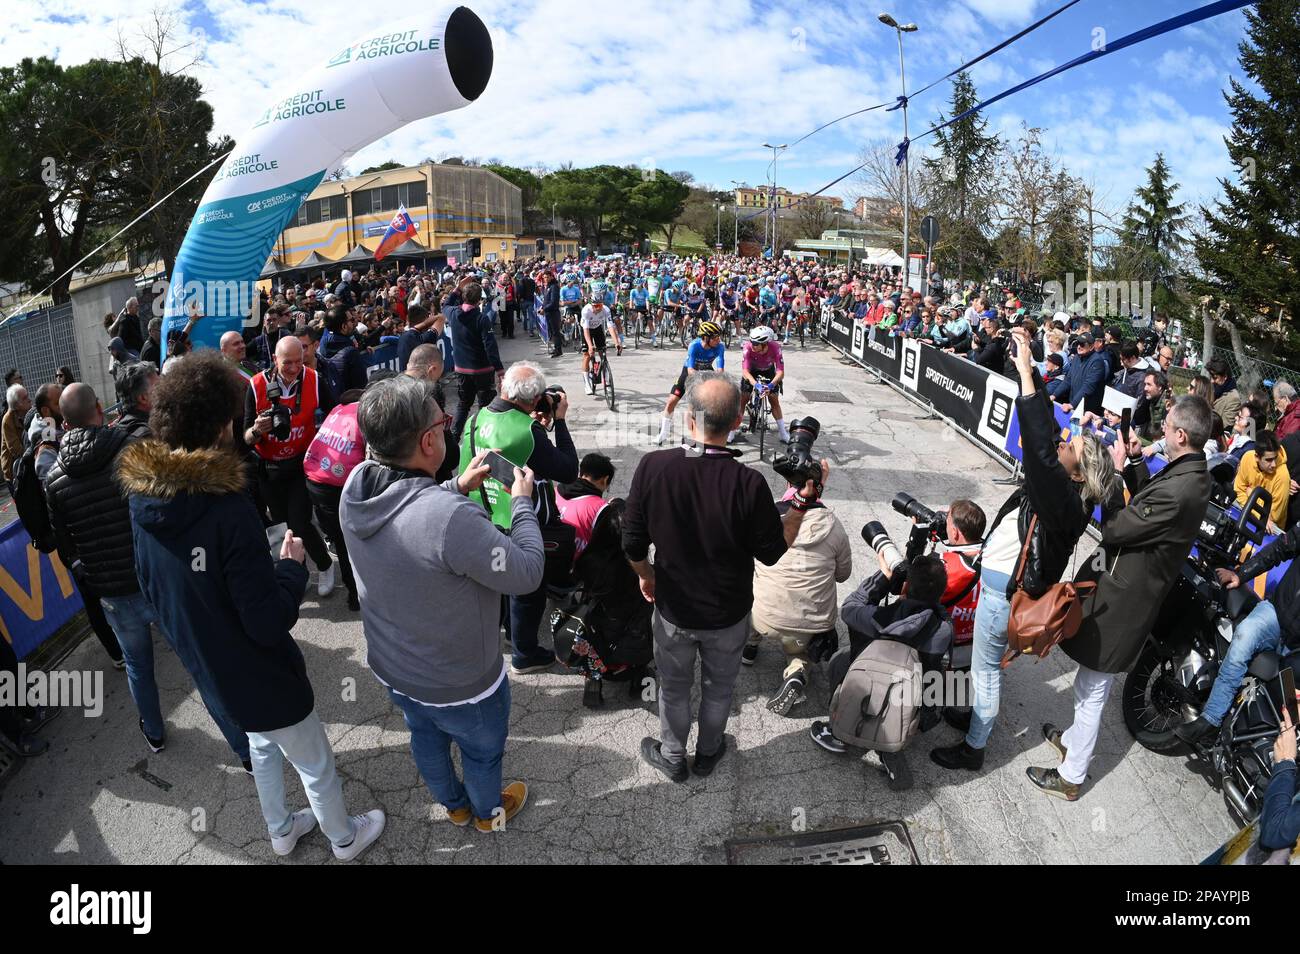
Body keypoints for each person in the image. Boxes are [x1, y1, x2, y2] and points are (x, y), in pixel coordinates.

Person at [119, 351, 385, 860]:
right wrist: (291, 567)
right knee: (313, 759)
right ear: (221, 425)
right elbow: (267, 620)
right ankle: (344, 837)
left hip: (211, 667)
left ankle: (281, 829)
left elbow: (151, 586)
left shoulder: (140, 499)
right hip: (258, 669)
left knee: (262, 747)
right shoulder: (226, 508)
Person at [341, 374, 542, 833]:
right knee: (482, 753)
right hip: (461, 681)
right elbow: (527, 572)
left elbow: (410, 515)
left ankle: (454, 805)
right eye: (443, 423)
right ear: (428, 441)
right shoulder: (452, 520)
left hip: (395, 667)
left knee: (425, 737)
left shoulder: (356, 487)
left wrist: (454, 486)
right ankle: (487, 814)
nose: (447, 429)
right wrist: (522, 503)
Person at [623, 372, 825, 781]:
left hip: (674, 609)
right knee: (718, 688)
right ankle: (708, 752)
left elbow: (632, 543)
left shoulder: (653, 467)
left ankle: (673, 755)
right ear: (737, 421)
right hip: (728, 614)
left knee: (674, 687)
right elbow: (772, 553)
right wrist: (801, 505)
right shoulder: (749, 483)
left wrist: (646, 576)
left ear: (688, 417)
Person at [932, 327, 1114, 774]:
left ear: (1078, 473)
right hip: (1001, 589)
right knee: (985, 667)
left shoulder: (1064, 499)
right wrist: (1025, 369)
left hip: (1003, 596)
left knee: (986, 672)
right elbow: (1046, 434)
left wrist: (1030, 374)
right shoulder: (1068, 494)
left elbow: (1038, 446)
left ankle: (974, 748)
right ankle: (974, 719)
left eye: (1072, 446)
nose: (1064, 440)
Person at [45, 381, 249, 767]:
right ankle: (243, 747)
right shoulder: (132, 449)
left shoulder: (54, 476)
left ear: (64, 422)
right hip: (155, 576)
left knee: (137, 665)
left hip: (111, 591)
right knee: (196, 660)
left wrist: (88, 572)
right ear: (100, 408)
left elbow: (64, 541)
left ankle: (154, 732)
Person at [1027, 395, 1214, 799]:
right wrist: (1134, 464)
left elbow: (1116, 528)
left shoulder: (1183, 487)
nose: (1160, 431)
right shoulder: (1192, 472)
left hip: (1128, 599)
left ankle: (1071, 776)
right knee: (1089, 680)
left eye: (1166, 427)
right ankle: (1073, 742)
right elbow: (1150, 503)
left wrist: (1112, 475)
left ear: (1181, 435)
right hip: (1128, 588)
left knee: (1093, 686)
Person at [459, 361, 576, 671]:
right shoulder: (528, 430)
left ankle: (510, 632)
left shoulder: (475, 419)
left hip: (482, 516)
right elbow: (568, 470)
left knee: (498, 579)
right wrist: (560, 421)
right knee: (527, 588)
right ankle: (524, 654)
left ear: (503, 387)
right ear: (535, 400)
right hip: (519, 521)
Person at [809, 553, 952, 790]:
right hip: (905, 703)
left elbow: (850, 606)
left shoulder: (873, 617)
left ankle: (838, 731)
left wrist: (884, 576)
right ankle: (891, 746)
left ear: (905, 586)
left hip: (866, 692)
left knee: (840, 661)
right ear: (940, 593)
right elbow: (936, 675)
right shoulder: (942, 629)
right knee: (936, 678)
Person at [1174, 519, 1300, 748]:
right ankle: (1210, 719)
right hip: (1276, 614)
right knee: (1245, 636)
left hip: (1296, 647)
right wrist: (1242, 574)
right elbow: (1280, 548)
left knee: (1291, 708)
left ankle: (1269, 753)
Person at [748, 459, 852, 714]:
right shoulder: (834, 526)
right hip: (808, 626)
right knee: (799, 652)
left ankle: (750, 645)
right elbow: (843, 575)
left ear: (788, 484)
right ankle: (796, 672)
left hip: (763, 617)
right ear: (819, 488)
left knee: (754, 582)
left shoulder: (767, 518)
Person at [243, 336, 337, 597]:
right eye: (287, 363)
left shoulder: (314, 379)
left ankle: (325, 564)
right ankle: (296, 571)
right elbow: (246, 437)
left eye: (299, 361)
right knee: (279, 525)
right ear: (275, 359)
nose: (294, 368)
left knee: (299, 522)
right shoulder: (256, 384)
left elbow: (335, 414)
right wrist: (257, 430)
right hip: (269, 467)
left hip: (299, 464)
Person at [303, 383, 368, 612]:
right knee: (349, 542)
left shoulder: (338, 409)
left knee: (340, 539)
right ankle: (356, 595)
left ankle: (354, 592)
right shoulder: (367, 413)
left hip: (314, 479)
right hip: (335, 486)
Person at [449, 283, 505, 441]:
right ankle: (482, 439)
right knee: (485, 407)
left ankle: (454, 439)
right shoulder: (482, 318)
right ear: (479, 299)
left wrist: (457, 288)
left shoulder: (452, 313)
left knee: (463, 404)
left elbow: (445, 304)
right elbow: (490, 347)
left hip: (462, 370)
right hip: (482, 371)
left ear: (463, 296)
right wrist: (500, 371)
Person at [656, 320, 725, 446]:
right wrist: (700, 382)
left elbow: (720, 368)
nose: (718, 340)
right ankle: (663, 433)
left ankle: (704, 434)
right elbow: (690, 370)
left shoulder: (720, 347)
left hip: (707, 371)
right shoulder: (694, 345)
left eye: (719, 337)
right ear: (706, 338)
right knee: (671, 401)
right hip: (690, 372)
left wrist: (717, 379)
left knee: (698, 406)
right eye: (715, 337)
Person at [739, 326, 789, 443]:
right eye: (752, 341)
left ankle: (783, 433)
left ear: (765, 343)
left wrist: (770, 386)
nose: (753, 345)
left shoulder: (776, 348)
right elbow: (745, 371)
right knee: (743, 399)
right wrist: (756, 385)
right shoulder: (747, 348)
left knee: (774, 400)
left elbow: (780, 373)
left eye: (756, 343)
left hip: (768, 370)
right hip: (752, 371)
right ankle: (731, 432)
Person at [1234, 432, 1290, 533]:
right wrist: (1259, 510)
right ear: (1257, 457)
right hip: (1244, 512)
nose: (1273, 464)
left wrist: (1251, 493)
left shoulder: (1283, 477)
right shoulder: (1247, 457)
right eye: (1269, 460)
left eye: (1275, 458)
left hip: (1269, 530)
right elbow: (1238, 491)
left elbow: (1273, 517)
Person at [1053, 333, 1107, 416]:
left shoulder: (1097, 361)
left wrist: (1072, 404)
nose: (1078, 347)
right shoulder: (1076, 358)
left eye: (1082, 344)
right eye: (1078, 343)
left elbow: (1089, 386)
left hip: (1087, 410)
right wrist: (1054, 395)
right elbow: (1068, 380)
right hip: (1074, 405)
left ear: (1091, 347)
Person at [579, 293, 612, 396]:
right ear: (591, 305)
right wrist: (590, 346)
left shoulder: (606, 309)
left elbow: (611, 327)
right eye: (595, 306)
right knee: (587, 356)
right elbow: (586, 330)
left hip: (597, 328)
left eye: (600, 305)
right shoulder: (586, 310)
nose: (598, 308)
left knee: (603, 354)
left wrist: (617, 342)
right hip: (587, 330)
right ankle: (587, 383)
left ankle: (607, 380)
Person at [2, 383, 30, 486]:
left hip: (27, 463)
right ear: (17, 405)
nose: (29, 399)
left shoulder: (30, 412)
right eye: (25, 398)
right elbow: (15, 449)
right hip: (13, 471)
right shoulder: (7, 420)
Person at [1206, 358, 1242, 430]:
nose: (1212, 381)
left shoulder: (1233, 398)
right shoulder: (1213, 389)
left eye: (1215, 378)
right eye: (1211, 377)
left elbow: (1226, 426)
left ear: (1225, 377)